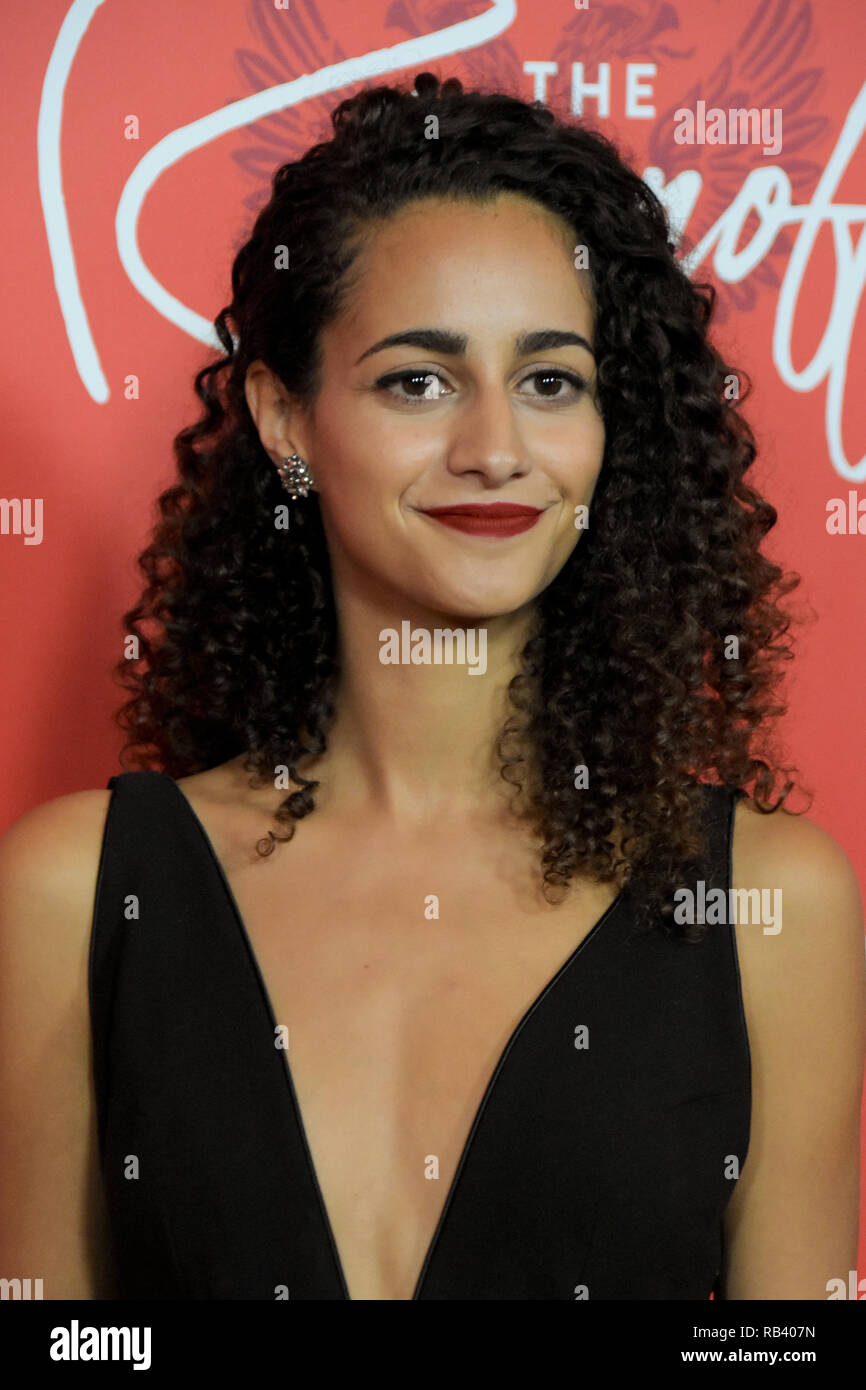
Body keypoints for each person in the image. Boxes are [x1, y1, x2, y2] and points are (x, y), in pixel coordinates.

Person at [0, 72, 863, 1302]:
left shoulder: (770, 904)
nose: (494, 447)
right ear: (285, 419)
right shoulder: (74, 893)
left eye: (550, 380)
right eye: (419, 379)